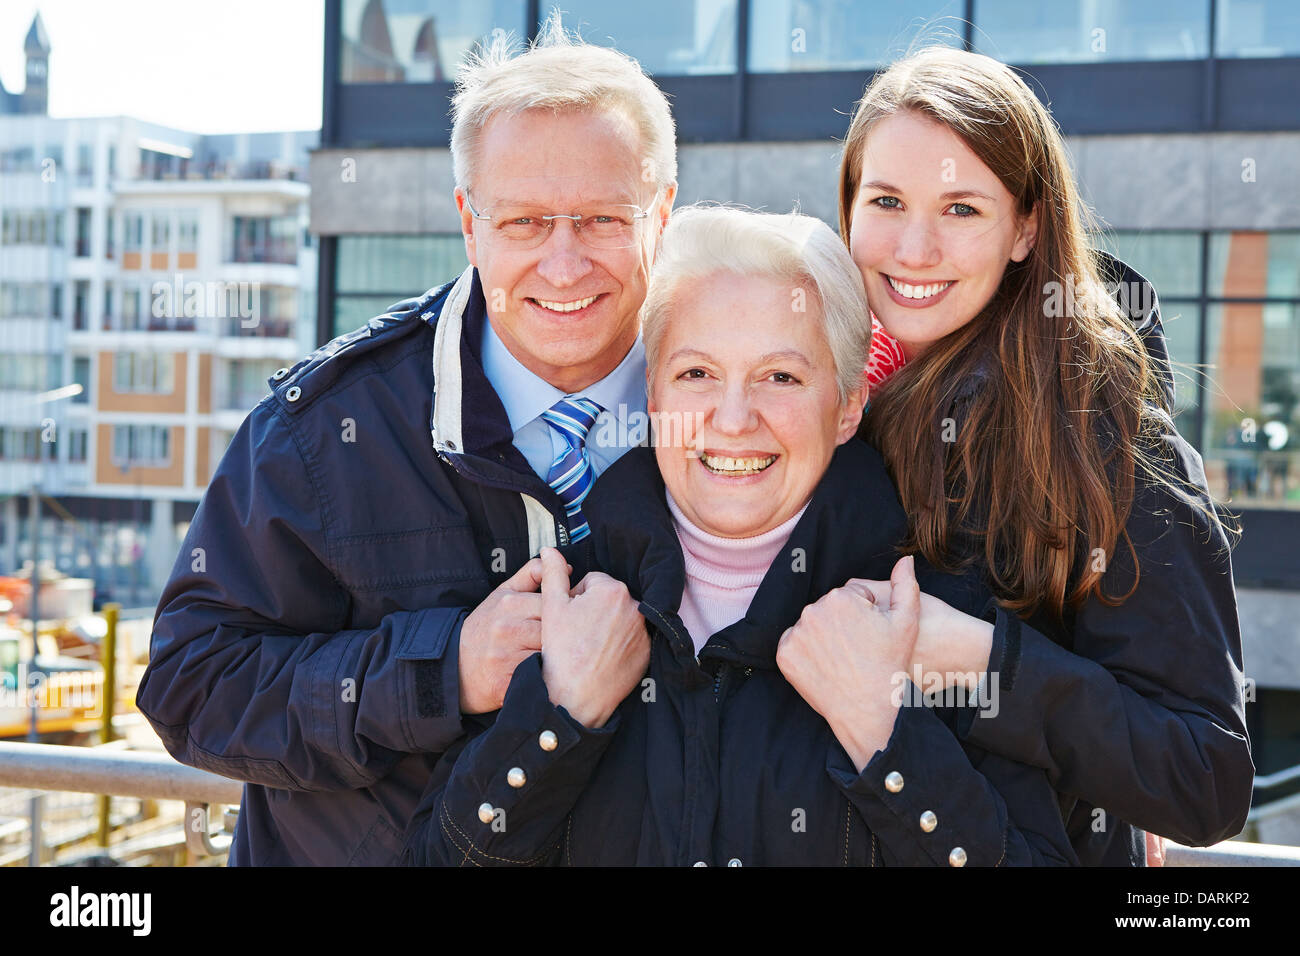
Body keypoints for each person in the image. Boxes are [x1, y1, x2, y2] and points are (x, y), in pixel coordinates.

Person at [135, 19, 677, 865]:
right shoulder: (321, 430)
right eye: (526, 222)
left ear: (664, 211)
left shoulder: (743, 409)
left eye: (604, 219)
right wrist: (443, 671)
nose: (565, 266)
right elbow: (191, 686)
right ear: (469, 220)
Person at [401, 205, 1078, 866]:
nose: (732, 419)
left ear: (847, 407)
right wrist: (559, 718)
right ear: (655, 400)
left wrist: (886, 737)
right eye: (697, 374)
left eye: (779, 377)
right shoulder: (561, 610)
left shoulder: (941, 620)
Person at [834, 47, 1253, 865]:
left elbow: (1205, 779)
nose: (914, 249)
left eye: (961, 210)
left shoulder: (1105, 431)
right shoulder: (824, 396)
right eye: (886, 200)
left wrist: (987, 665)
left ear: (1026, 227)